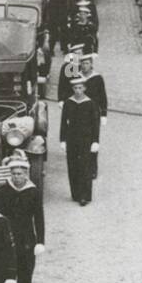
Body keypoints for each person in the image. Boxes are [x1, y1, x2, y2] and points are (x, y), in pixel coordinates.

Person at [0, 156, 44, 283]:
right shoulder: (2, 192)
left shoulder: (33, 192)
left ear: (26, 174)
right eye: (14, 173)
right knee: (7, 271)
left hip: (26, 240)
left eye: (20, 174)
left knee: (25, 274)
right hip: (7, 239)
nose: (17, 177)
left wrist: (40, 241)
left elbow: (39, 217)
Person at [59, 76, 100, 205]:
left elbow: (95, 124)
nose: (78, 90)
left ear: (85, 88)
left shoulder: (90, 104)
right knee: (73, 166)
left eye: (80, 88)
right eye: (75, 88)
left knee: (85, 166)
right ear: (72, 89)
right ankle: (75, 193)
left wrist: (95, 141)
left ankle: (85, 195)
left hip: (86, 139)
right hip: (72, 138)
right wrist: (63, 140)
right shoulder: (68, 103)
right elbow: (63, 122)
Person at [78, 56, 108, 179]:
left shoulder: (97, 78)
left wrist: (104, 114)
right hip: (79, 113)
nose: (85, 66)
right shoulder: (77, 77)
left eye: (87, 63)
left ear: (91, 64)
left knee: (93, 141)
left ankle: (92, 168)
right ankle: (81, 167)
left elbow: (103, 96)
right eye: (83, 63)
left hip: (93, 114)